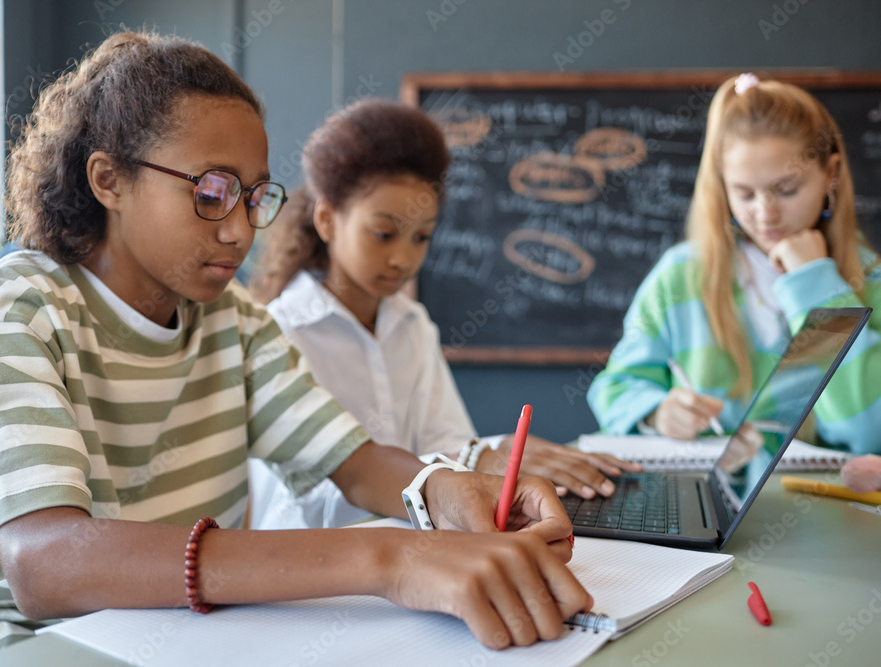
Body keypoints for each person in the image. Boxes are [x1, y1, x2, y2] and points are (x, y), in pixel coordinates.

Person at [0, 32, 592, 665]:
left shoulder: (231, 320)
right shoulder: (21, 302)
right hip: (22, 643)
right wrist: (389, 557)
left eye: (254, 196)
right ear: (109, 179)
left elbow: (353, 462)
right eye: (210, 192)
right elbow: (47, 563)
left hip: (178, 636)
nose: (239, 230)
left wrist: (446, 491)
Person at [246, 99, 639, 529]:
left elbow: (448, 442)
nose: (402, 257)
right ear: (327, 219)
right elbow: (307, 502)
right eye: (383, 233)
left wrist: (493, 453)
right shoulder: (280, 331)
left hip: (416, 554)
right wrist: (477, 457)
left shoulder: (411, 325)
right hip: (317, 577)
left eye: (421, 237)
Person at [588, 74, 881, 454]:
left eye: (787, 190)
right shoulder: (681, 275)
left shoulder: (868, 277)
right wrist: (656, 413)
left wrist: (817, 285)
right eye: (744, 194)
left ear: (831, 173)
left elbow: (869, 431)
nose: (765, 214)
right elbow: (615, 387)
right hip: (700, 500)